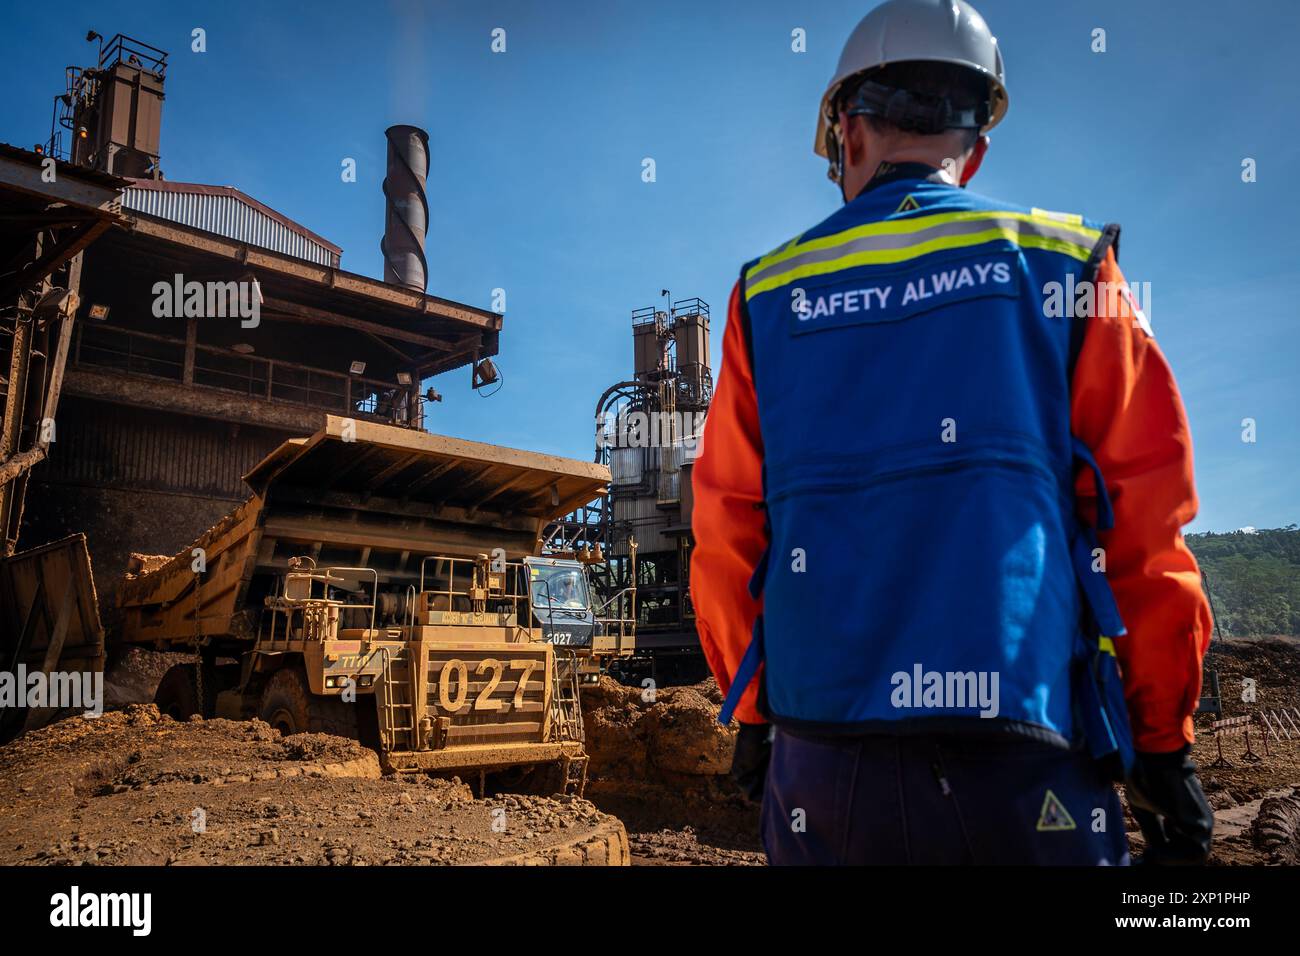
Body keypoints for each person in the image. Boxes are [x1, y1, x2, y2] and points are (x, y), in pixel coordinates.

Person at [690, 0, 1214, 865]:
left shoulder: (769, 295)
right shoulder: (1068, 264)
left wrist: (752, 713)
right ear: (975, 149)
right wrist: (1162, 740)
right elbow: (1144, 528)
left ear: (848, 132)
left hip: (826, 759)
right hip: (1022, 755)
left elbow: (726, 537)